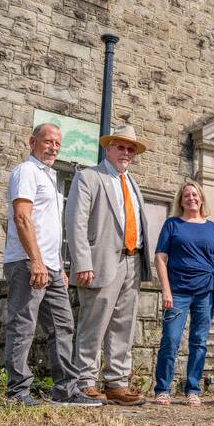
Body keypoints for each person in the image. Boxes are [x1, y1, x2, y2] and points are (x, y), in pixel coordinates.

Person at [2, 123, 101, 407]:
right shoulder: (26, 172)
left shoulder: (50, 176)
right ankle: (17, 391)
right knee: (23, 325)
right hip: (27, 263)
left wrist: (58, 265)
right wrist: (36, 260)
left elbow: (49, 227)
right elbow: (22, 218)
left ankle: (66, 390)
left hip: (52, 267)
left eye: (58, 144)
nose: (53, 148)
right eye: (48, 142)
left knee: (63, 327)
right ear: (32, 141)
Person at [65, 124, 153, 406]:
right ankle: (85, 380)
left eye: (131, 149)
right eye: (121, 147)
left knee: (123, 326)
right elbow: (75, 222)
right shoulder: (89, 177)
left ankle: (117, 383)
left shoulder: (132, 182)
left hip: (132, 260)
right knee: (94, 322)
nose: (126, 153)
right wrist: (82, 261)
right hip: (101, 262)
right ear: (108, 147)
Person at [151, 182, 214, 407]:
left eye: (195, 194)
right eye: (186, 195)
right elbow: (160, 258)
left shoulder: (211, 227)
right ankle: (162, 389)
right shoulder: (172, 224)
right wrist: (166, 289)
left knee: (199, 342)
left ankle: (193, 389)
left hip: (205, 292)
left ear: (201, 199)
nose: (191, 198)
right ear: (181, 200)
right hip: (178, 292)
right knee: (170, 341)